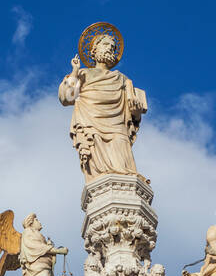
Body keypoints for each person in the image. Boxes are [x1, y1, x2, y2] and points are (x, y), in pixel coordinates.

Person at [57, 33, 148, 180]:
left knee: (125, 171)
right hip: (91, 123)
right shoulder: (82, 74)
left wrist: (136, 112)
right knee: (98, 176)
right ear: (94, 50)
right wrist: (74, 70)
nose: (110, 48)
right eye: (106, 44)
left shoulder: (123, 80)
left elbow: (133, 117)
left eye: (113, 46)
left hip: (118, 127)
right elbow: (66, 97)